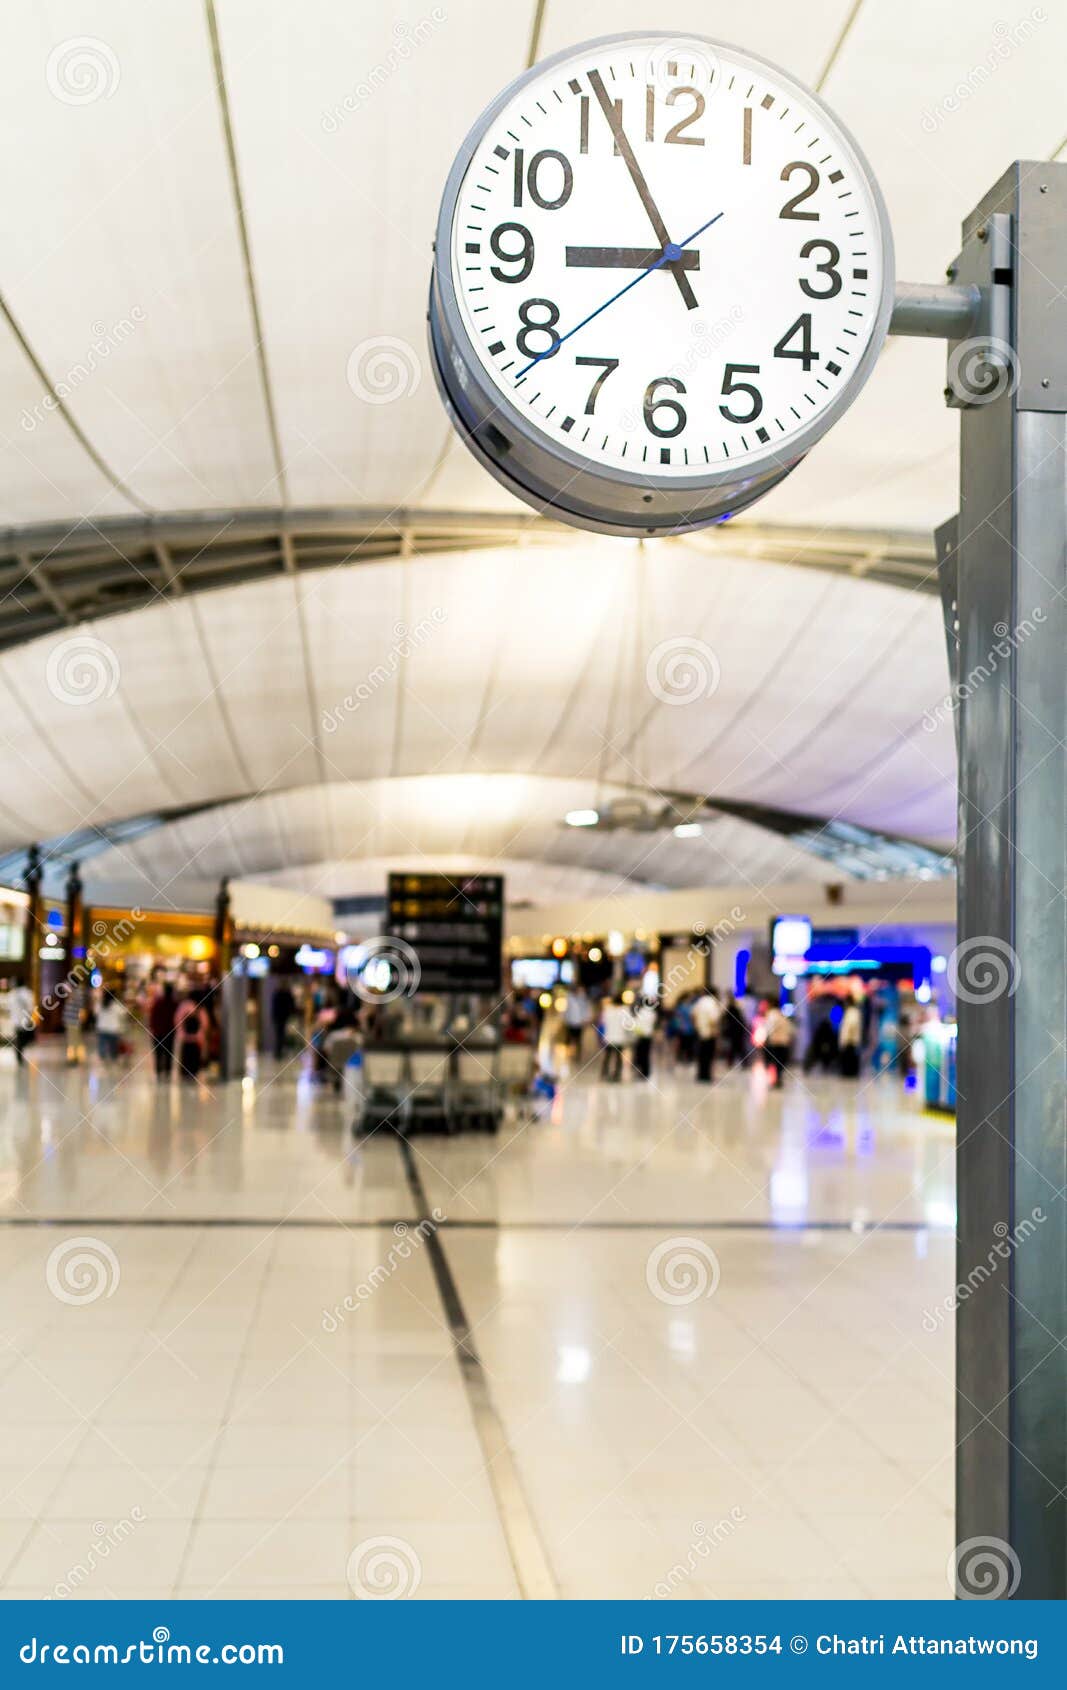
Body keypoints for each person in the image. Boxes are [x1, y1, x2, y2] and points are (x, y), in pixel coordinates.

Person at [692, 986, 723, 1082]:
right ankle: (707, 1075)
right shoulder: (712, 1002)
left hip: (700, 1031)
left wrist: (697, 1026)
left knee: (701, 1055)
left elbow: (693, 1014)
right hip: (710, 1032)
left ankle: (701, 1074)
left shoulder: (700, 1001)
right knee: (709, 1055)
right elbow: (714, 1018)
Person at [175, 992, 207, 1081]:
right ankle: (193, 1073)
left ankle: (187, 1074)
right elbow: (204, 1024)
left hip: (188, 1039)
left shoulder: (184, 1007)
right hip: (194, 1039)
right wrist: (200, 1035)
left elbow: (178, 1020)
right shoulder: (200, 1009)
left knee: (187, 1057)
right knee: (193, 1058)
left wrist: (182, 1033)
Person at [148, 980, 177, 1078]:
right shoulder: (174, 1004)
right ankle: (168, 1072)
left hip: (158, 1032)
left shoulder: (158, 1003)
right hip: (170, 1032)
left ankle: (158, 1071)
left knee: (158, 1053)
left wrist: (152, 1028)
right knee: (169, 1053)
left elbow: (153, 1017)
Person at [600, 994, 631, 1083]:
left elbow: (603, 1022)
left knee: (607, 1055)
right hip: (619, 1037)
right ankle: (617, 1074)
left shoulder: (608, 1009)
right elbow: (628, 1024)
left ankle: (604, 1072)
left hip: (609, 1037)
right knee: (618, 1056)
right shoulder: (625, 1010)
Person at [764, 1004, 796, 1078]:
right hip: (783, 1042)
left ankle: (777, 1076)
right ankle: (778, 1075)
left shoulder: (772, 1015)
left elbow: (769, 1028)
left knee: (775, 1060)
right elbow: (790, 1029)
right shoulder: (783, 1016)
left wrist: (767, 1037)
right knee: (781, 1061)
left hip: (775, 1042)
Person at [720, 994, 750, 1067]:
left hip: (735, 1031)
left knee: (735, 1047)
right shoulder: (735, 1009)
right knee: (738, 1047)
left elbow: (726, 1020)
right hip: (737, 1031)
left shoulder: (731, 1009)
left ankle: (733, 1062)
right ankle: (743, 1062)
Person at [95, 989, 125, 1063]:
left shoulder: (100, 1004)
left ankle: (103, 1060)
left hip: (102, 1028)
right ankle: (113, 1059)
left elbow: (95, 1012)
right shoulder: (116, 1005)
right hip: (113, 1029)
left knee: (102, 1046)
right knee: (113, 1047)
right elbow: (123, 1012)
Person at [270, 980, 296, 1061]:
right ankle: (279, 1052)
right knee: (280, 1035)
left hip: (282, 1017)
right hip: (280, 1017)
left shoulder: (282, 994)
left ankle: (280, 1051)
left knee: (281, 1035)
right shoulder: (281, 994)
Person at [10, 981, 34, 1066]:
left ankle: (19, 1054)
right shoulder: (27, 993)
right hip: (24, 1019)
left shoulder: (12, 994)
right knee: (23, 1038)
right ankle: (19, 1053)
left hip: (16, 1020)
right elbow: (30, 1007)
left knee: (20, 1038)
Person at [563, 986, 591, 1062]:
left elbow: (586, 1009)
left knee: (578, 1039)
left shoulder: (583, 998)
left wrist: (586, 1019)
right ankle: (569, 1053)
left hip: (579, 1023)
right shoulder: (569, 998)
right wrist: (565, 1019)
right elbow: (566, 1010)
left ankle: (577, 1055)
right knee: (570, 1038)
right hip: (570, 1022)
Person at [631, 998, 657, 1079]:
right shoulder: (652, 1013)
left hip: (640, 1036)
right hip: (648, 1036)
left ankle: (641, 1070)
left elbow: (636, 1024)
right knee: (646, 1054)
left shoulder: (640, 1012)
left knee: (640, 1054)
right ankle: (646, 1072)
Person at [839, 995, 864, 1078]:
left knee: (849, 1062)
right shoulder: (853, 1011)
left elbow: (851, 1025)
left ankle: (849, 1075)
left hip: (850, 1041)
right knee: (850, 1061)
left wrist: (847, 1038)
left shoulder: (852, 1012)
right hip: (851, 1041)